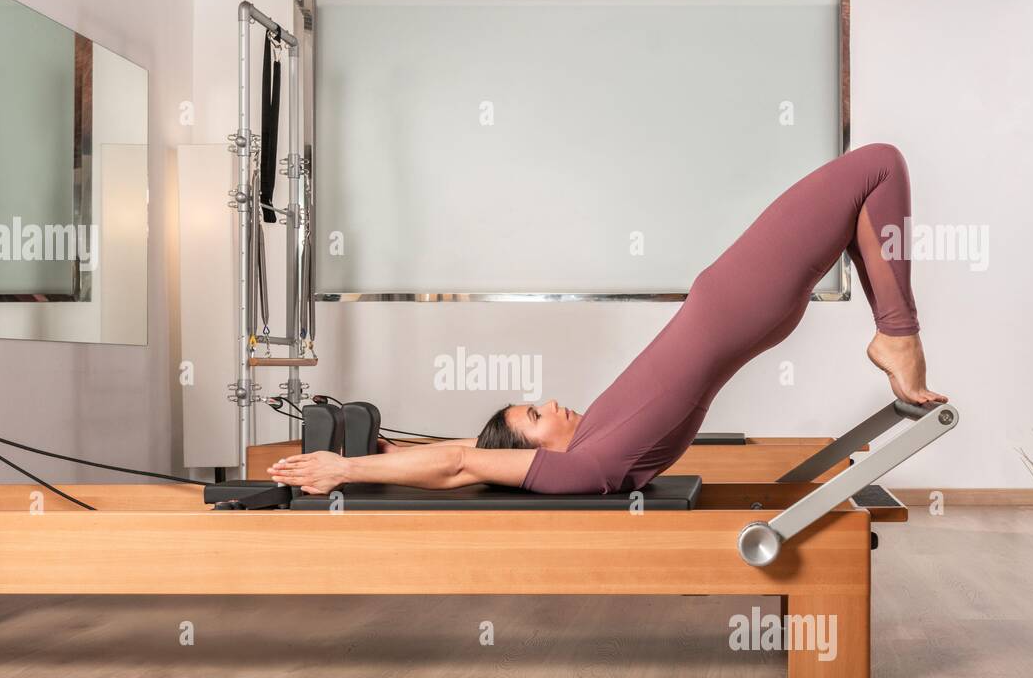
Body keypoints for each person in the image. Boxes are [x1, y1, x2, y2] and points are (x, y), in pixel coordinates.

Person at [271, 143, 946, 495]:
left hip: (743, 311)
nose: (553, 403)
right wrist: (341, 469)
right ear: (536, 463)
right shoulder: (589, 466)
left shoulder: (591, 443)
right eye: (537, 418)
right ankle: (897, 334)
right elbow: (462, 463)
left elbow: (458, 459)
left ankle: (894, 331)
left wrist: (387, 455)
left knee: (862, 207)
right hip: (737, 302)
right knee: (878, 168)